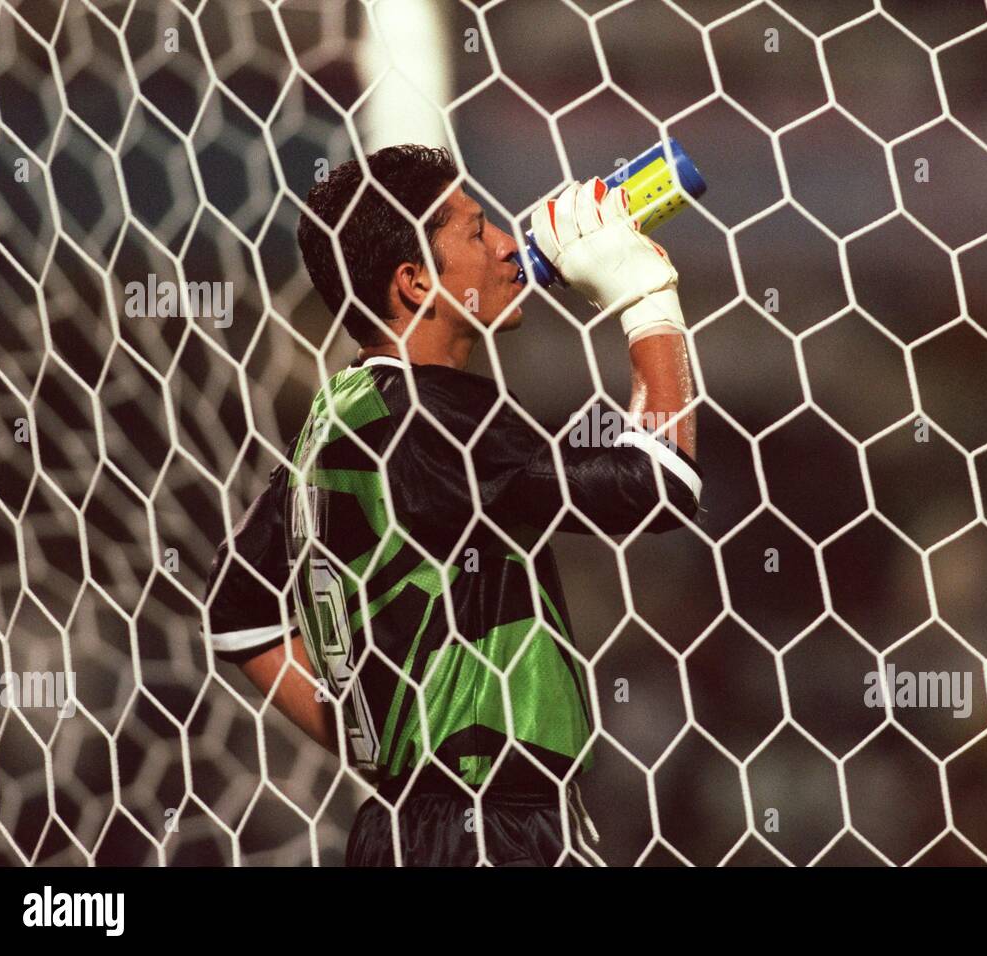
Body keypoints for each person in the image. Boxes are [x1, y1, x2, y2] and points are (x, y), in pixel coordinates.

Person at [200, 144, 702, 866]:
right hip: (490, 825)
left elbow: (237, 608)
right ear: (414, 283)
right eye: (475, 232)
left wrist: (380, 743)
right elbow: (663, 484)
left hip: (403, 825)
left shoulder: (345, 412)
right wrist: (645, 296)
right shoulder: (438, 418)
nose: (507, 245)